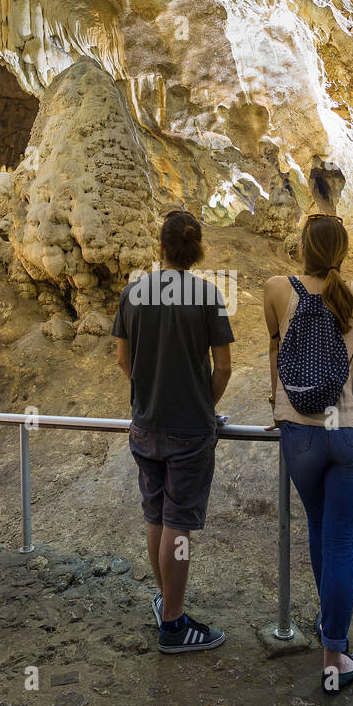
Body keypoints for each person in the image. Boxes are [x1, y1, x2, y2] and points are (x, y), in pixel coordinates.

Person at [113, 209, 234, 653]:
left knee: (155, 515)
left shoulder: (133, 292)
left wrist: (149, 398)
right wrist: (203, 405)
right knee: (178, 525)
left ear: (160, 247)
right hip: (190, 433)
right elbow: (222, 368)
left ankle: (167, 603)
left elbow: (123, 362)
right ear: (197, 249)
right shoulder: (207, 295)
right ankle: (173, 625)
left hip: (145, 427)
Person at [265, 213, 353, 694]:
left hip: (300, 430)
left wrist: (277, 403)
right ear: (343, 250)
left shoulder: (275, 287)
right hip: (349, 428)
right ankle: (335, 653)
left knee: (317, 526)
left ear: (301, 248)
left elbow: (276, 352)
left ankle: (325, 626)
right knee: (339, 541)